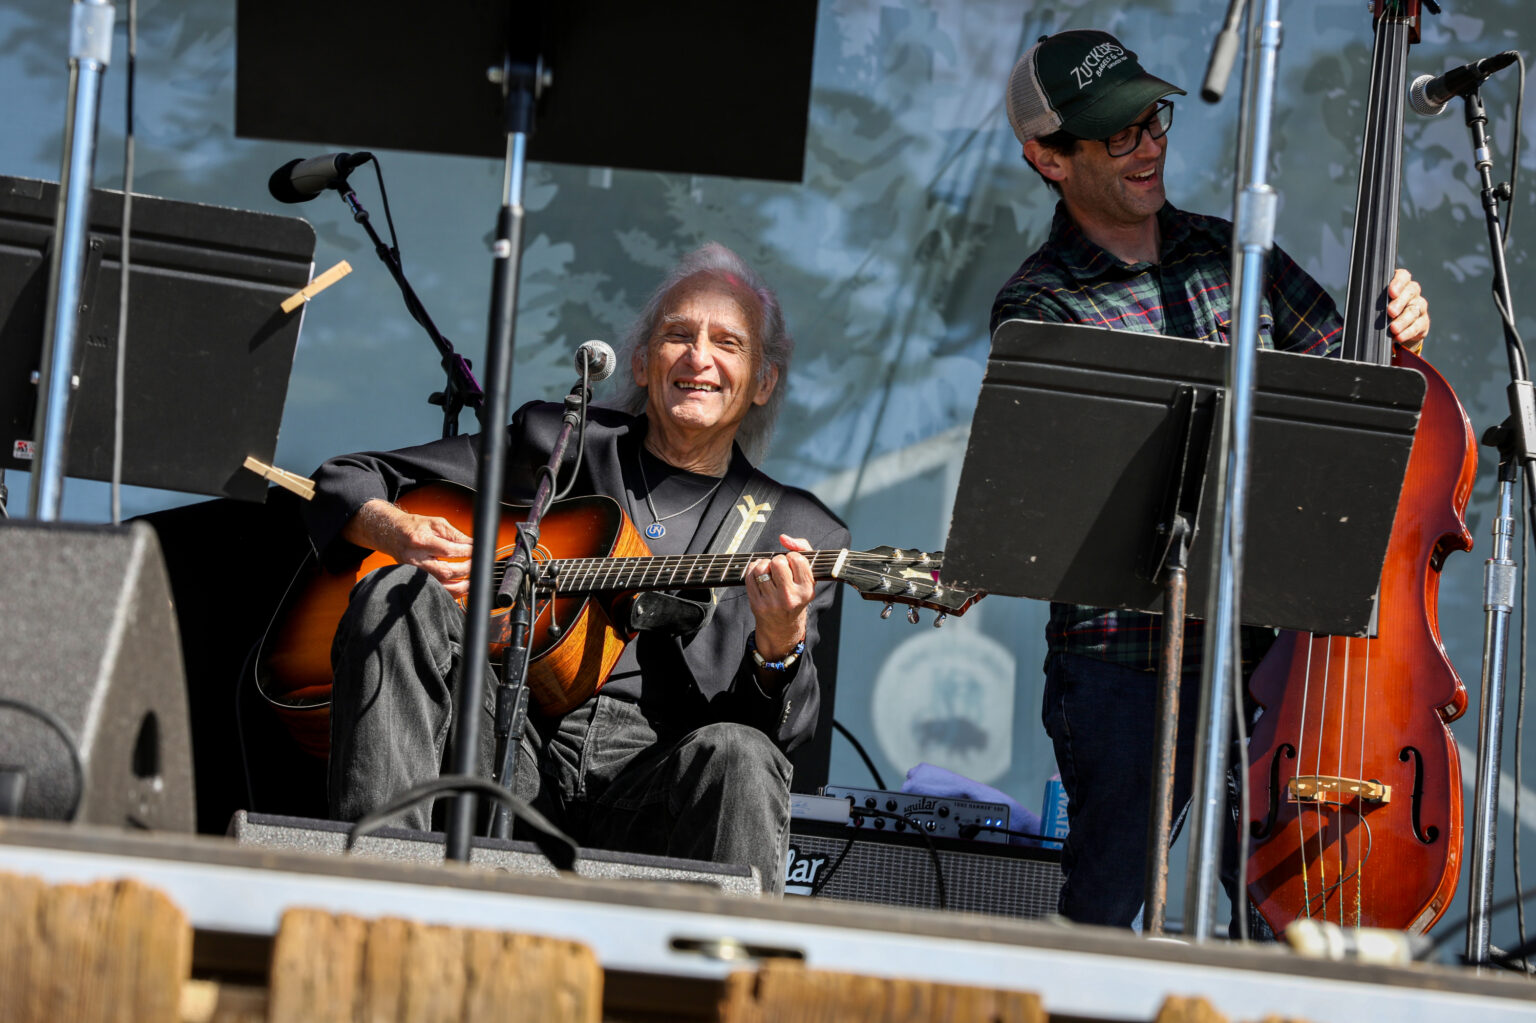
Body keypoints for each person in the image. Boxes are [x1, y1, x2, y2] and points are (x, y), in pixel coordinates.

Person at [991, 30, 1432, 928]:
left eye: (1154, 118)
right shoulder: (1040, 302)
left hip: (1270, 649)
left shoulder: (1238, 257)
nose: (1151, 142)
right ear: (1048, 159)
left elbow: (1353, 395)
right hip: (1125, 657)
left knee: (1286, 911)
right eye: (1118, 134)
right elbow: (1064, 489)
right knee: (1111, 905)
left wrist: (1400, 338)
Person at [302, 242, 849, 895]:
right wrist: (398, 528)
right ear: (642, 363)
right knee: (400, 589)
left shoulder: (800, 528)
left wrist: (778, 648)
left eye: (727, 343)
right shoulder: (558, 446)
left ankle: (724, 979)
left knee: (740, 752)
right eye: (678, 335)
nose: (698, 357)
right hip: (507, 738)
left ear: (763, 380)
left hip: (657, 783)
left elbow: (779, 744)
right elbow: (347, 478)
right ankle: (375, 892)